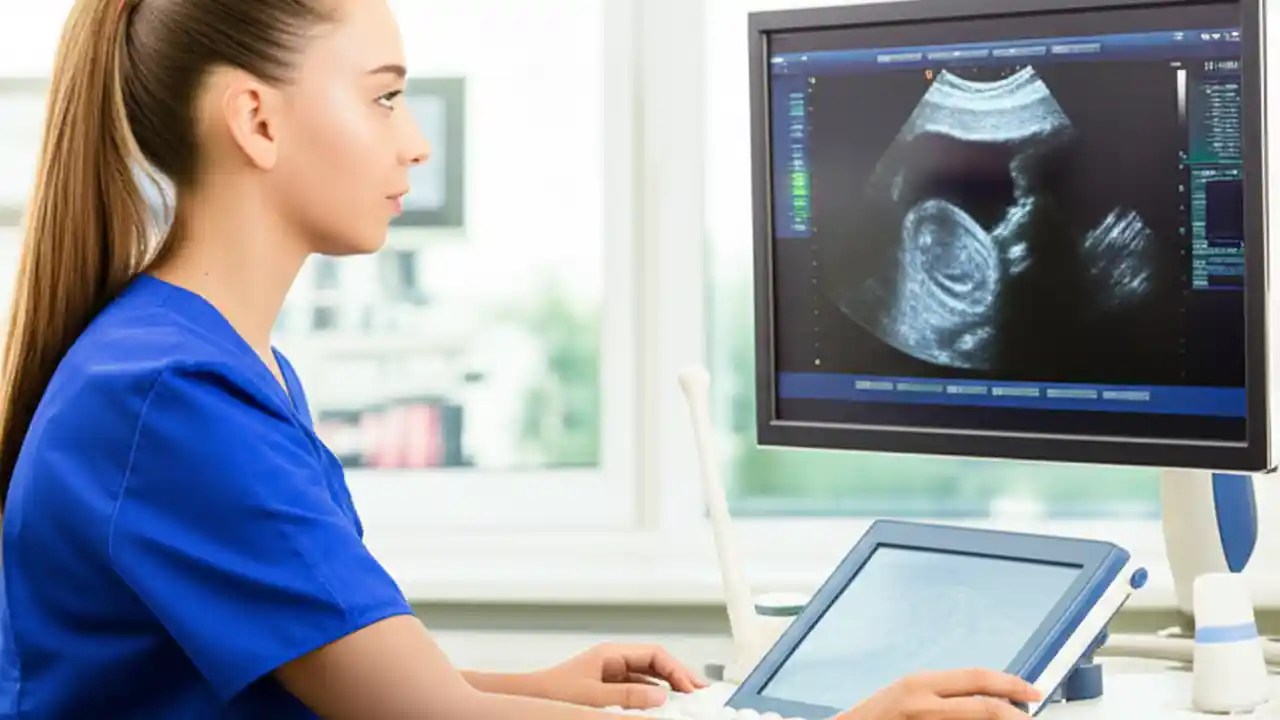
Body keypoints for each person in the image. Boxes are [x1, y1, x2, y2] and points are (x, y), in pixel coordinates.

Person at [0, 0, 1042, 718]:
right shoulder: (172, 395)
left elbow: (326, 679)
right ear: (256, 120)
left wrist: (536, 688)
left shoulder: (210, 364)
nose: (413, 143)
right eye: (382, 96)